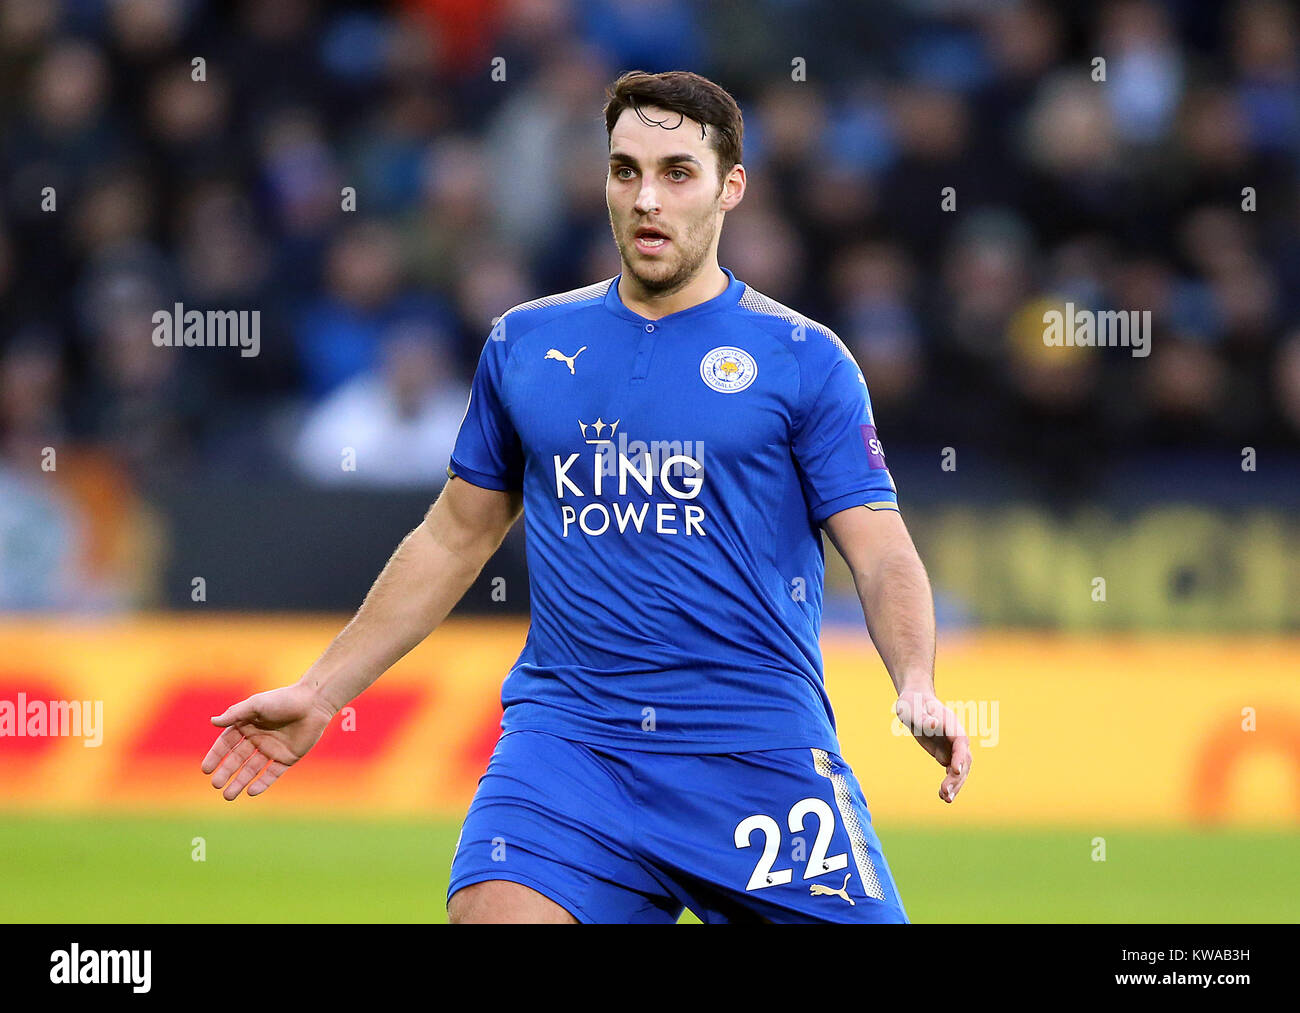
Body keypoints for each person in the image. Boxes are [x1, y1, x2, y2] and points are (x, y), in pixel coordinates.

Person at [201, 70, 971, 924]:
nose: (647, 198)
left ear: (731, 188)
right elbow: (454, 537)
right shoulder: (525, 343)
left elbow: (882, 551)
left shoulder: (804, 358)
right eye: (624, 170)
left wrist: (916, 680)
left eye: (678, 172)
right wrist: (321, 691)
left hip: (755, 749)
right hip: (571, 745)